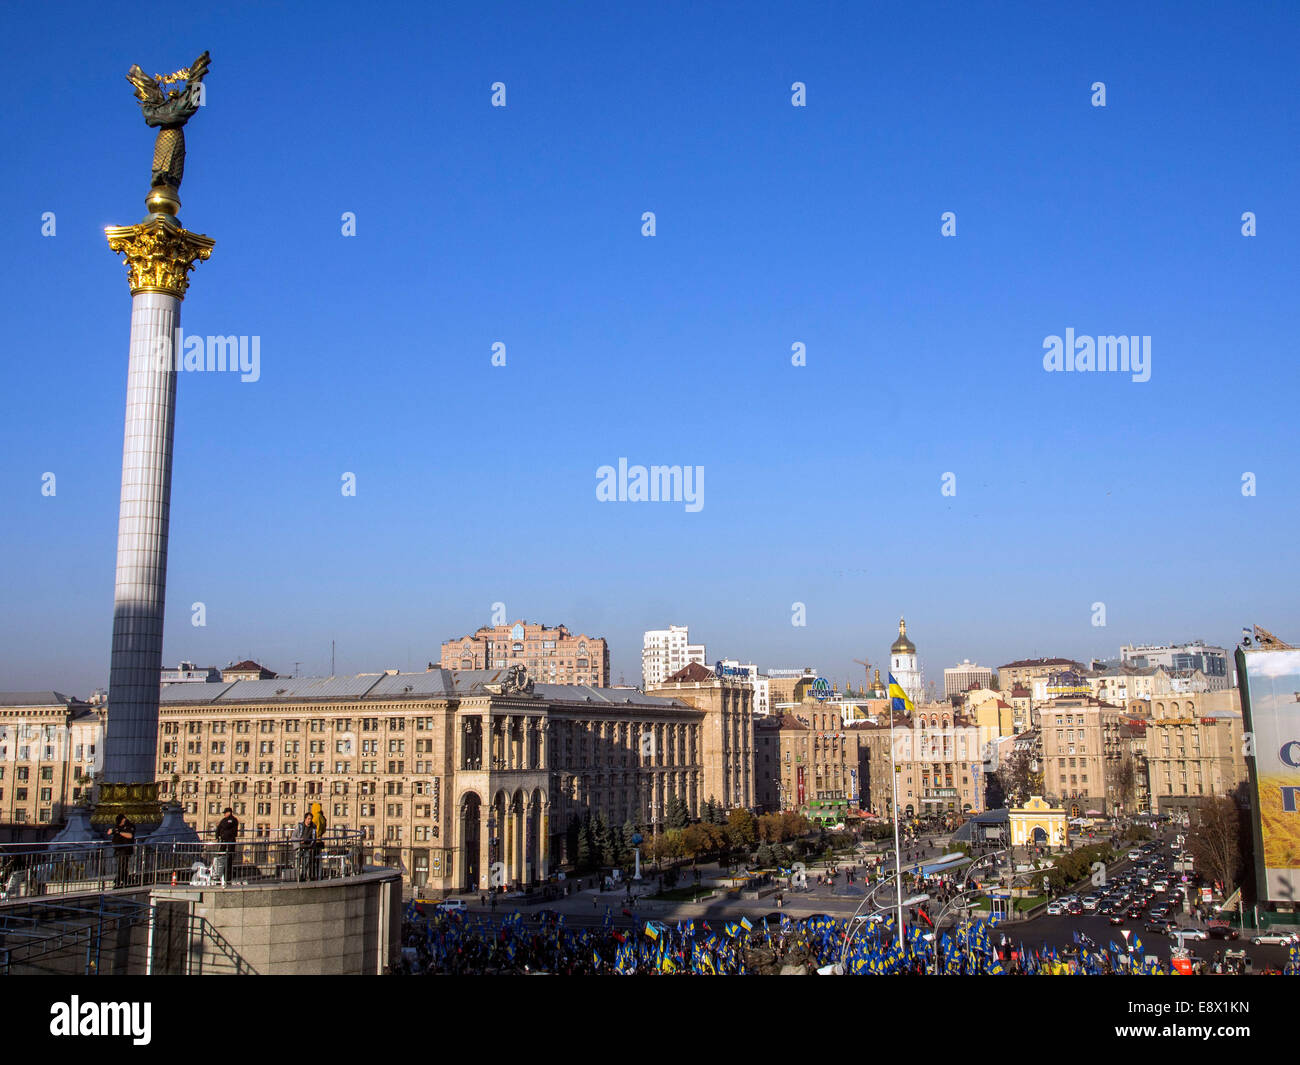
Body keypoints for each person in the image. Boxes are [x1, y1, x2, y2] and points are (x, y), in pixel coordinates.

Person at [110, 813, 135, 888]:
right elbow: (109, 832)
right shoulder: (118, 827)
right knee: (121, 866)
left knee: (123, 866)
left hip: (125, 849)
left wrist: (119, 832)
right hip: (118, 849)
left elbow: (130, 836)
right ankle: (123, 880)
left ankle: (119, 880)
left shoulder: (128, 827)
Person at [215, 806, 239, 883]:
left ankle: (227, 877)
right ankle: (220, 875)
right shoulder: (224, 820)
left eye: (225, 813)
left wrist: (221, 825)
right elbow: (218, 828)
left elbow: (225, 826)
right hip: (224, 841)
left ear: (229, 813)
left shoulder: (232, 820)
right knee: (221, 857)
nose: (224, 814)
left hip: (230, 841)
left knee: (229, 858)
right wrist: (217, 836)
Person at [293, 812, 316, 881]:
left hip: (307, 847)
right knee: (297, 863)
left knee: (305, 863)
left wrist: (311, 846)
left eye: (311, 819)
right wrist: (299, 840)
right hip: (299, 847)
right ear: (305, 819)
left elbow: (314, 838)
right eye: (308, 819)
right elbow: (293, 836)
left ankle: (302, 876)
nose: (310, 820)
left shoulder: (313, 827)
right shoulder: (299, 826)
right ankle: (296, 877)